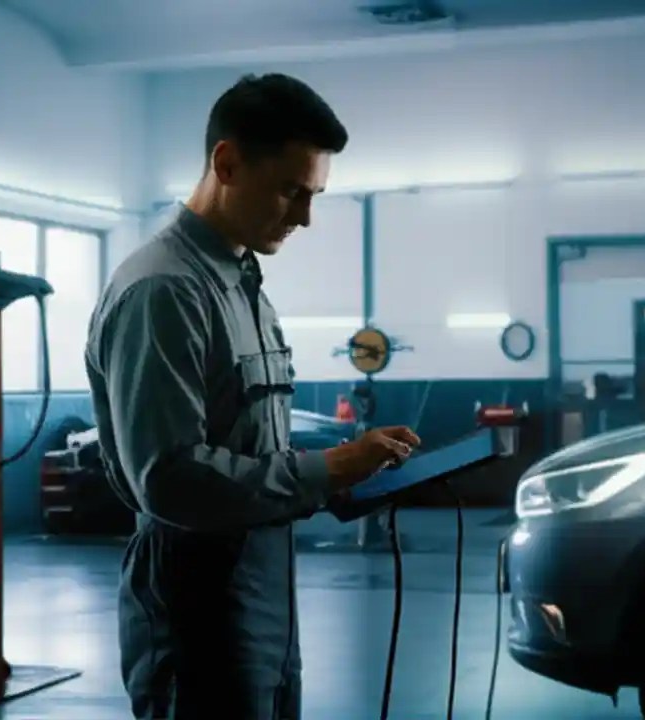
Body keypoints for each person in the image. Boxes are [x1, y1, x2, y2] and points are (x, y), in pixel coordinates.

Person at [84, 73, 420, 719]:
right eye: (291, 192)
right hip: (195, 592)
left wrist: (343, 480)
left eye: (314, 195)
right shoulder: (165, 291)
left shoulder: (241, 283)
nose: (304, 217)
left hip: (262, 578)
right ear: (227, 162)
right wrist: (329, 467)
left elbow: (246, 442)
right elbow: (171, 478)